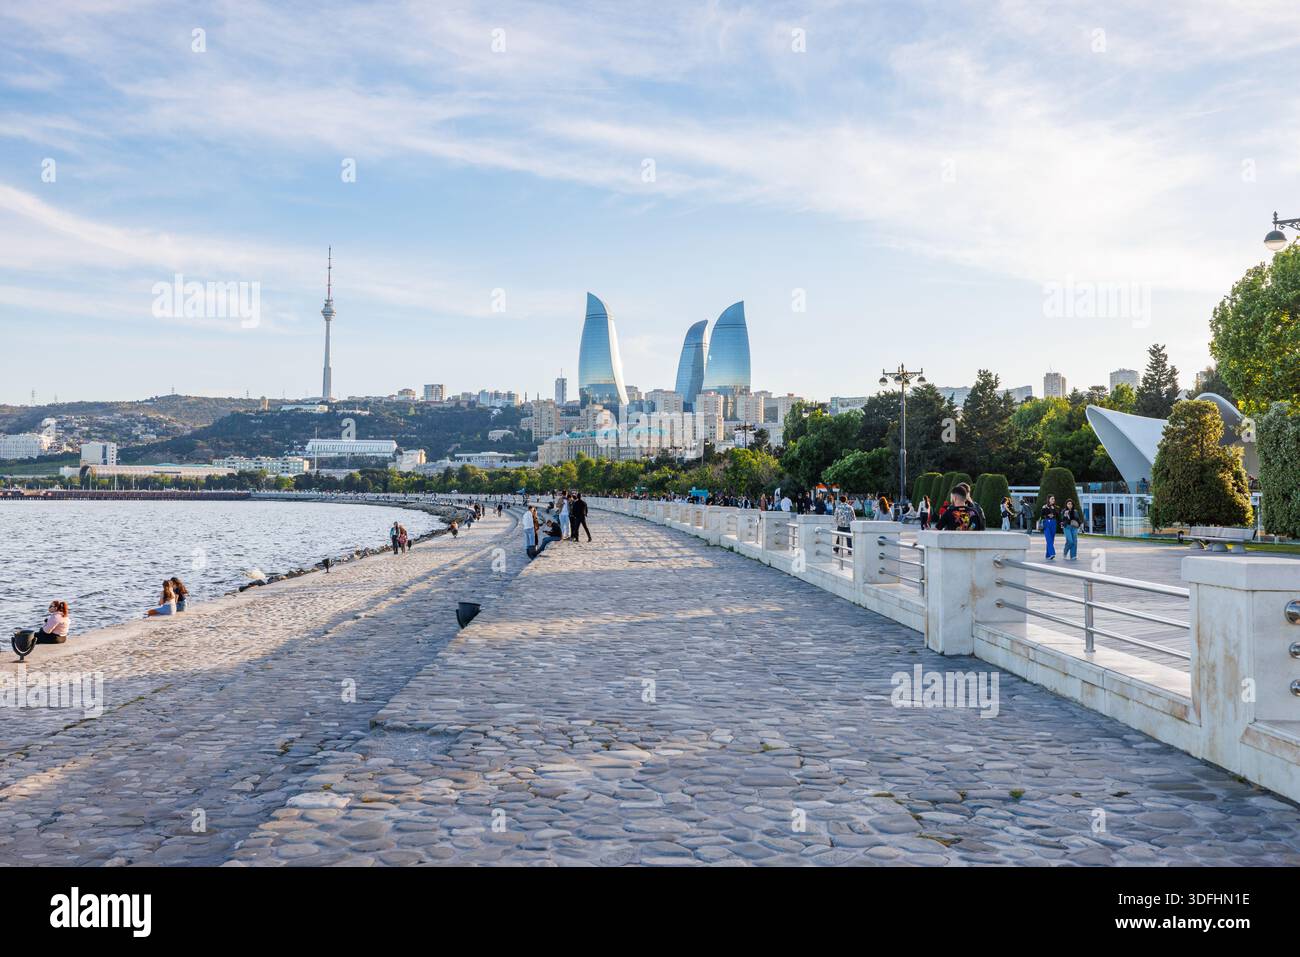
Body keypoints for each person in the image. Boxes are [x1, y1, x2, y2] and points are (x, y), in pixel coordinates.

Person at [1040, 494, 1059, 560]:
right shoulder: (1044, 506)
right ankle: (1052, 553)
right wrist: (1048, 515)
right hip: (1047, 522)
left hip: (1053, 522)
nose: (1053, 500)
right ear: (1048, 500)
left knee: (1052, 539)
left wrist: (1054, 513)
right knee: (1049, 539)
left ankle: (1048, 555)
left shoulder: (1055, 507)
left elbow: (1057, 515)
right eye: (1052, 499)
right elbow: (1041, 515)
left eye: (1054, 499)